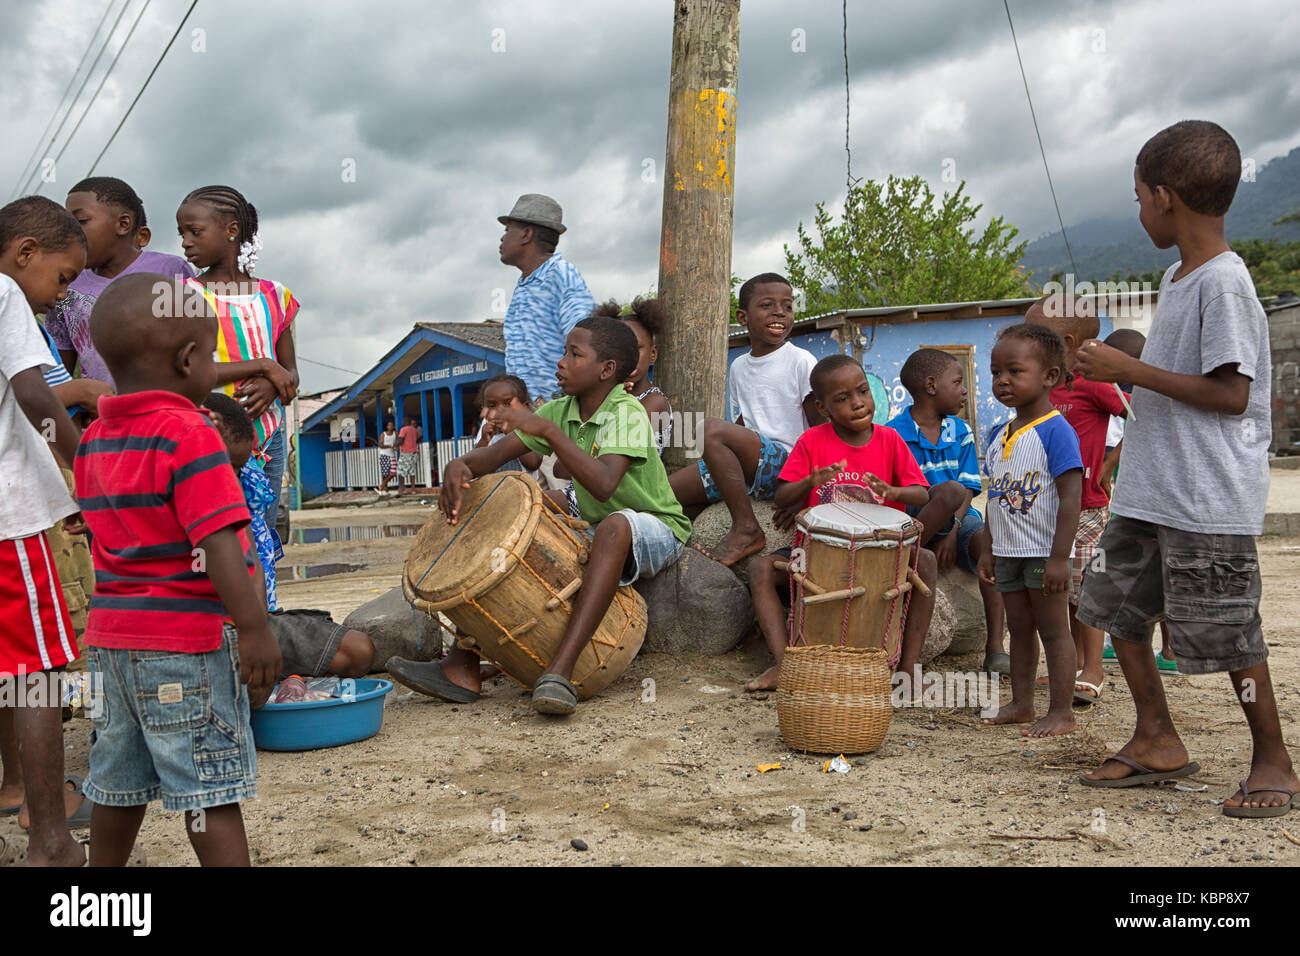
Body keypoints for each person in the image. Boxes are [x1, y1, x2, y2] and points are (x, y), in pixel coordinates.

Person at [1075, 121, 1298, 815]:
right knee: (1109, 606)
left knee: (1228, 630)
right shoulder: (1179, 276)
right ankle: (1156, 737)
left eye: (1140, 196)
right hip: (1152, 492)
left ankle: (1274, 761)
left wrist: (1127, 369)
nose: (1139, 209)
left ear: (1165, 197)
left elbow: (1232, 394)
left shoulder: (1225, 284)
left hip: (1205, 497)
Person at [74, 272, 281, 866]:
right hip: (183, 645)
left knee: (115, 782)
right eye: (214, 356)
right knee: (208, 790)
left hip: (110, 647)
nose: (216, 368)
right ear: (189, 360)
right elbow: (218, 541)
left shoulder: (94, 440)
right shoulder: (190, 432)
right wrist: (255, 627)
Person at [387, 316, 690, 716]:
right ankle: (462, 668)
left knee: (614, 527)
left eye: (574, 354)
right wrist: (459, 466)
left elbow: (603, 485)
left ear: (607, 370)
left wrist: (548, 434)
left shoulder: (627, 412)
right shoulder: (562, 409)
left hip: (654, 527)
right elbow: (493, 457)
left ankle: (560, 672)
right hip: (599, 526)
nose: (561, 362)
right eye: (565, 351)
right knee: (503, 518)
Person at [744, 355, 935, 692]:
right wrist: (810, 481)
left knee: (928, 563)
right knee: (760, 569)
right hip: (818, 556)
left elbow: (921, 495)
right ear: (823, 406)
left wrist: (892, 490)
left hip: (881, 556)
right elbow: (784, 496)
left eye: (862, 392)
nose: (858, 403)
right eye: (843, 399)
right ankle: (783, 664)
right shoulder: (812, 442)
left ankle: (908, 668)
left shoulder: (890, 440)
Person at [0, 195, 90, 866]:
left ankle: (14, 791)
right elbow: (35, 394)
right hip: (10, 519)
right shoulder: (5, 293)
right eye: (62, 278)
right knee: (35, 671)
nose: (61, 298)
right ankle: (51, 839)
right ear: (25, 253)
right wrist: (87, 464)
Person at [203, 392, 375, 705]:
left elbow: (252, 565)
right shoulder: (172, 499)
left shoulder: (239, 495)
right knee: (244, 691)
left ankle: (283, 679)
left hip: (252, 623)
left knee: (359, 651)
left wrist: (257, 633)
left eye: (240, 470)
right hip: (205, 634)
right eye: (225, 468)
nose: (233, 479)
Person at [668, 273, 822, 566]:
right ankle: (684, 557)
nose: (779, 312)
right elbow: (743, 422)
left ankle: (747, 528)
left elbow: (821, 430)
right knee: (665, 494)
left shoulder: (800, 360)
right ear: (742, 317)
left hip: (788, 464)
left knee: (709, 430)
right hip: (752, 463)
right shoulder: (739, 366)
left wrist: (804, 491)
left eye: (787, 306)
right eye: (767, 305)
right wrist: (715, 461)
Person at [975, 323, 1083, 738]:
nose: (1002, 380)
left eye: (1014, 371)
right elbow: (995, 498)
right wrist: (988, 548)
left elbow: (1071, 499)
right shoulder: (997, 433)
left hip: (1043, 553)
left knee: (1055, 631)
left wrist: (1060, 557)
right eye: (996, 372)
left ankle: (1061, 712)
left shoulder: (1056, 431)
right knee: (1018, 630)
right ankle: (1021, 703)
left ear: (1050, 376)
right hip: (1007, 551)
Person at [1025, 296, 1129, 705]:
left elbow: (1136, 418)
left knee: (1088, 588)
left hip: (1086, 505)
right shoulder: (1044, 387)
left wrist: (1109, 465)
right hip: (1048, 506)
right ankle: (1071, 666)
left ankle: (1094, 668)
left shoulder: (1095, 382)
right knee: (1061, 586)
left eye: (1037, 339)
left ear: (1067, 343)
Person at [180, 185, 299, 534]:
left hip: (270, 437)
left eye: (194, 231)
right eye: (181, 233)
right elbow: (190, 374)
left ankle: (263, 592)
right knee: (224, 535)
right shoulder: (186, 296)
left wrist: (275, 383)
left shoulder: (276, 296)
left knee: (263, 534)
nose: (185, 242)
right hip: (213, 436)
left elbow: (290, 373)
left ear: (232, 230)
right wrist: (263, 366)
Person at [884, 348, 1006, 675]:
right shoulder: (893, 434)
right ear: (931, 386)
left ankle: (995, 647)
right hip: (915, 522)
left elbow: (968, 489)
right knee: (946, 490)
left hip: (958, 521)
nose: (965, 390)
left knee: (987, 545)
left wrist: (952, 533)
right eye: (958, 382)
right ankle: (910, 552)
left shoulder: (961, 431)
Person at [45, 177, 193, 388]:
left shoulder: (171, 271)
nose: (70, 233)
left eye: (81, 222)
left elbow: (205, 345)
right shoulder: (65, 288)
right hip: (104, 415)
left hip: (169, 409)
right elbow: (60, 373)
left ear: (123, 225)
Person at [1094, 329, 1177, 672]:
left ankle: (1172, 651)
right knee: (1143, 572)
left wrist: (1109, 466)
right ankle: (1145, 645)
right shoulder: (1136, 389)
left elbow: (1140, 430)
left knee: (1156, 572)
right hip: (1134, 493)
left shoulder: (1136, 390)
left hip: (1151, 496)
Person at [611, 298, 673, 454]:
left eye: (636, 348)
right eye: (618, 349)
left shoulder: (654, 402)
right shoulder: (608, 397)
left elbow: (612, 449)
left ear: (652, 354)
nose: (627, 356)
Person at [473, 374, 543, 477]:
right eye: (492, 406)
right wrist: (484, 441)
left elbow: (533, 463)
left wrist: (511, 431)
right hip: (494, 491)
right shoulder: (488, 435)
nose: (499, 410)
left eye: (507, 404)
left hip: (523, 491)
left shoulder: (527, 431)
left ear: (525, 407)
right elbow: (475, 466)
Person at [396, 417, 420, 490]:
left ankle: (402, 487)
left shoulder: (403, 429)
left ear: (405, 421)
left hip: (406, 452)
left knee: (400, 470)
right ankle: (413, 488)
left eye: (403, 421)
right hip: (415, 452)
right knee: (412, 470)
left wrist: (395, 445)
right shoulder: (414, 430)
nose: (402, 422)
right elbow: (417, 438)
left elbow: (401, 441)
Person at [378, 421, 399, 493]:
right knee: (385, 473)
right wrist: (390, 446)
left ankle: (382, 485)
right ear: (387, 427)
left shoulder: (395, 433)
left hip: (392, 455)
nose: (391, 426)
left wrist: (396, 446)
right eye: (389, 425)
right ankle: (385, 487)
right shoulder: (383, 434)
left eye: (392, 425)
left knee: (394, 472)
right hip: (384, 455)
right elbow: (380, 445)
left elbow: (400, 439)